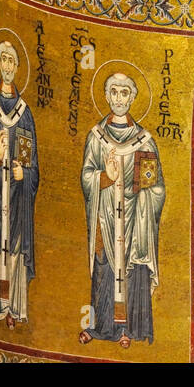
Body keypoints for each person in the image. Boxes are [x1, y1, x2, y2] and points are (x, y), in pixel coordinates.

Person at [79, 73, 164, 348]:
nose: (118, 98)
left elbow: (155, 188)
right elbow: (86, 176)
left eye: (124, 93)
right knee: (103, 268)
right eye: (113, 92)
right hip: (104, 216)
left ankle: (127, 328)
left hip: (132, 220)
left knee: (130, 270)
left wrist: (144, 194)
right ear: (106, 96)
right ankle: (100, 327)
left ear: (132, 98)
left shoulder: (143, 140)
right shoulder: (97, 137)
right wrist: (106, 176)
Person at [0, 41, 38, 328]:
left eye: (13, 61)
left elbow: (31, 162)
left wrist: (23, 175)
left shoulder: (24, 113)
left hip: (14, 195)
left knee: (13, 246)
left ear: (18, 66)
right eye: (4, 60)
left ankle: (13, 305)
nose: (9, 66)